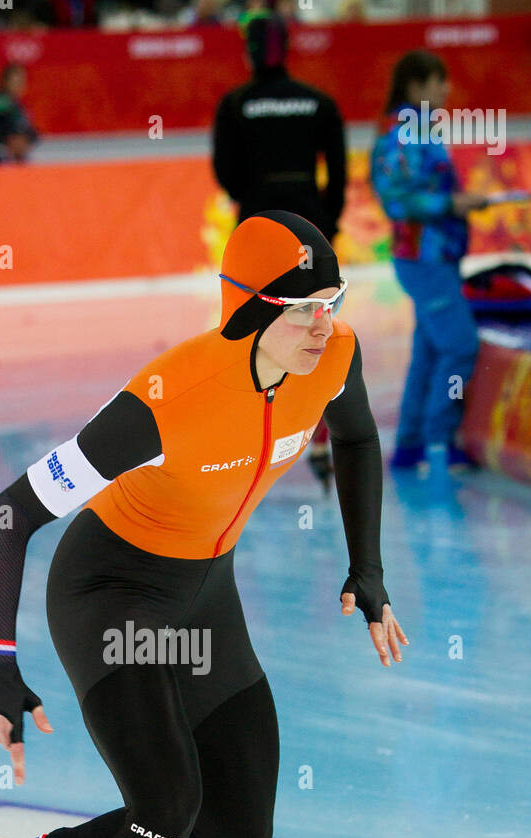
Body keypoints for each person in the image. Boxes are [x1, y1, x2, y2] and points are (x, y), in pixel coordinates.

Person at [0, 211, 407, 838]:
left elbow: (356, 438)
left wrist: (368, 571)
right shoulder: (166, 398)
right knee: (166, 803)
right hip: (111, 595)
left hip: (205, 596)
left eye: (332, 299)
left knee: (240, 829)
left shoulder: (334, 355)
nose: (323, 323)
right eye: (301, 307)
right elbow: (9, 514)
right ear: (246, 308)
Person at [213, 15, 347, 489]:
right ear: (288, 49)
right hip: (311, 225)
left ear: (247, 52)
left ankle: (241, 435)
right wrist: (324, 219)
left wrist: (255, 199)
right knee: (318, 329)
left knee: (248, 328)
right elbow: (339, 171)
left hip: (258, 227)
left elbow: (224, 172)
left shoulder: (234, 104)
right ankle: (323, 434)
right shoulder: (318, 101)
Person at [370, 50, 489, 471]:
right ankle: (440, 439)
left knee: (429, 350)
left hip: (436, 256)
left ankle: (410, 445)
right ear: (415, 86)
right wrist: (452, 203)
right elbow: (397, 199)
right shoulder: (405, 134)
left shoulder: (421, 131)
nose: (446, 89)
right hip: (425, 259)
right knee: (459, 345)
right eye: (439, 81)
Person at [0, 63, 38, 164]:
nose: (20, 85)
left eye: (22, 81)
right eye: (16, 81)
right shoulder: (1, 106)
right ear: (5, 82)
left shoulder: (17, 105)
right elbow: (13, 136)